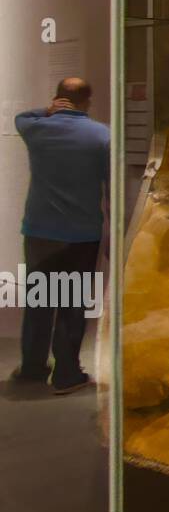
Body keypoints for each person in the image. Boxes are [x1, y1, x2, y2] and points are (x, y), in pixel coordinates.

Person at [11, 78, 109, 394]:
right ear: (87, 101)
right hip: (82, 235)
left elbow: (22, 118)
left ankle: (32, 367)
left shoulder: (38, 129)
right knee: (72, 303)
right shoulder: (100, 136)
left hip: (40, 231)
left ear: (58, 98)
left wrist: (48, 110)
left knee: (39, 301)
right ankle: (67, 373)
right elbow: (111, 188)